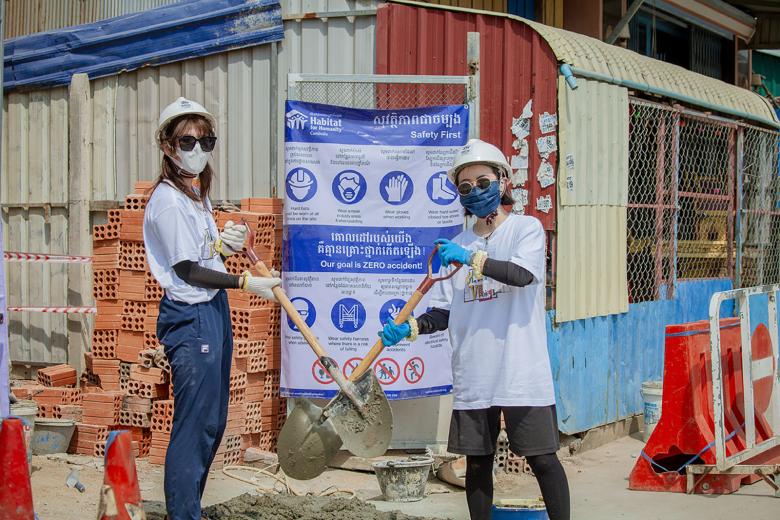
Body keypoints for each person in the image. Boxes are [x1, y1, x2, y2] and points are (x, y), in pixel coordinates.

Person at [379, 139, 570, 520]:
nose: (475, 191)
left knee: (542, 458)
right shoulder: (458, 244)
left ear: (503, 181)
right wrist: (412, 327)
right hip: (474, 370)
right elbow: (446, 311)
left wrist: (471, 259)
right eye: (465, 186)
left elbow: (521, 275)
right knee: (478, 462)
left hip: (519, 366)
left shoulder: (525, 230)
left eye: (483, 182)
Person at [143, 97, 281, 520]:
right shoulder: (168, 201)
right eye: (187, 141)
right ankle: (184, 514)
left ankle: (190, 508)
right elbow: (186, 270)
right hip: (191, 317)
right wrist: (244, 282)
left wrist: (224, 247)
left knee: (212, 422)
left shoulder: (195, 195)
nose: (198, 149)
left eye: (206, 141)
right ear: (167, 146)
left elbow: (202, 255)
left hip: (213, 310)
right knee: (194, 424)